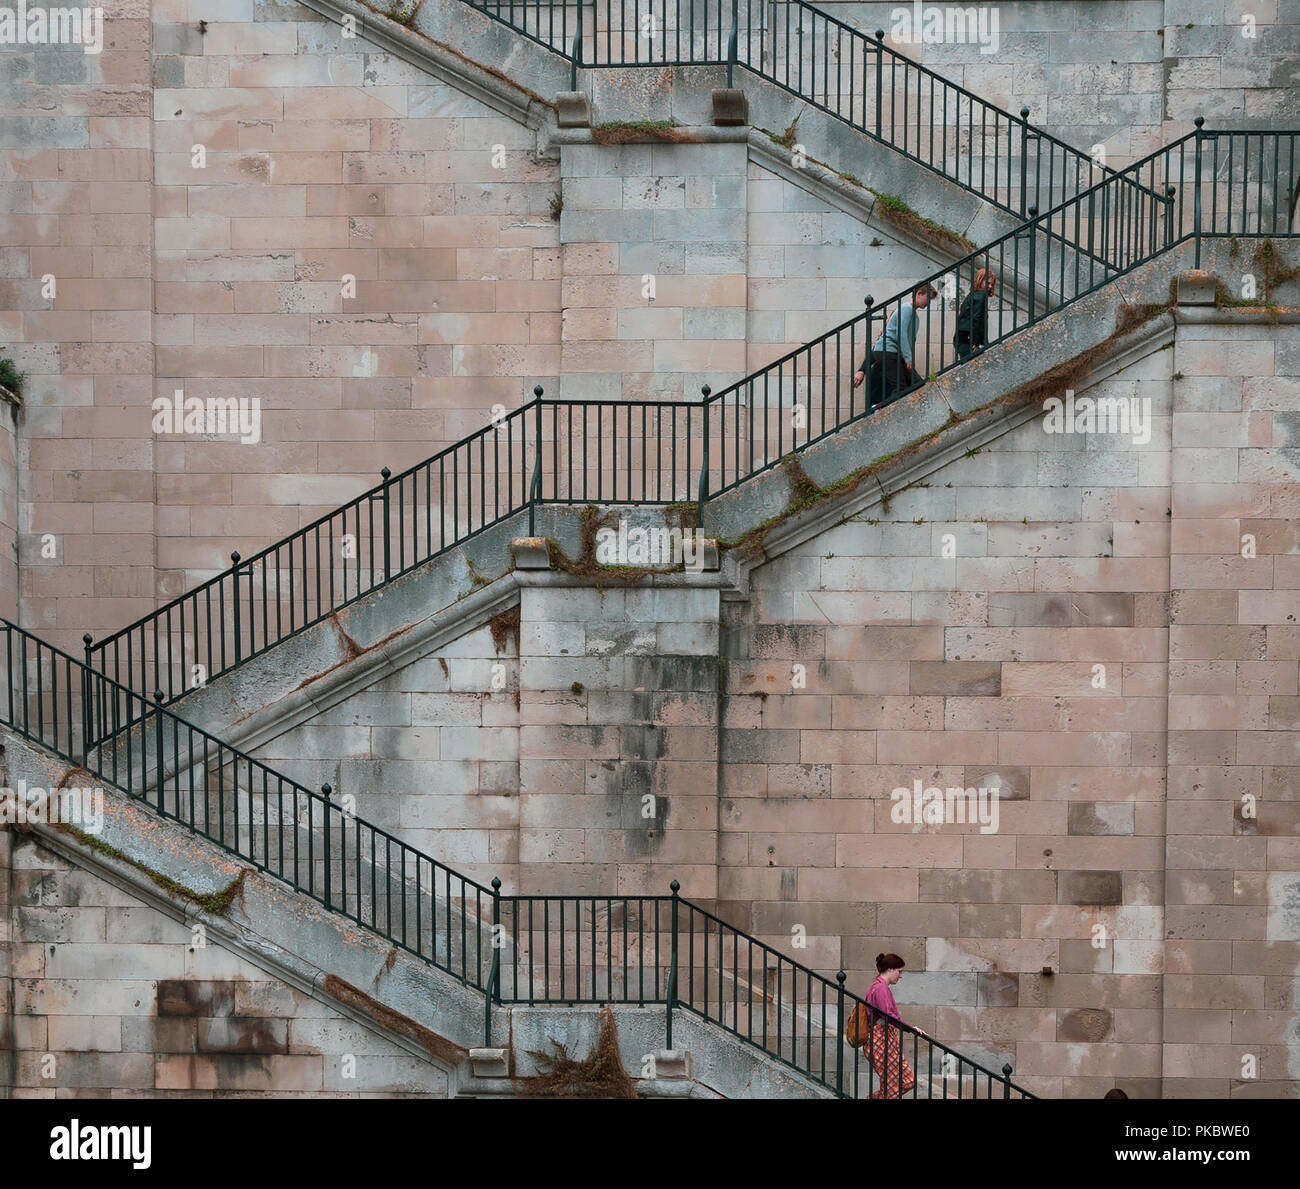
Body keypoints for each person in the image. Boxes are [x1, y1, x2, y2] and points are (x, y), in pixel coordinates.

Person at [850, 952, 926, 1098]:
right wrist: (911, 1029)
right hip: (879, 1040)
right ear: (890, 969)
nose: (901, 975)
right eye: (899, 971)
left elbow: (890, 1016)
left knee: (906, 1081)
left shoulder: (881, 987)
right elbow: (889, 1016)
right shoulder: (880, 988)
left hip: (885, 1039)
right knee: (893, 1086)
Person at [853, 282, 937, 407]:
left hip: (894, 355)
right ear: (919, 293)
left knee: (917, 383)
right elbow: (901, 334)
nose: (928, 302)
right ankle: (877, 408)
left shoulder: (913, 314)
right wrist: (908, 358)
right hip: (889, 353)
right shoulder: (906, 309)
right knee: (900, 389)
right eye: (928, 298)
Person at [953, 267, 996, 360]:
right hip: (968, 340)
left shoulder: (973, 295)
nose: (990, 287)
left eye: (992, 284)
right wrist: (975, 343)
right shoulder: (981, 296)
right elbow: (976, 319)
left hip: (962, 338)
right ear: (980, 281)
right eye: (988, 283)